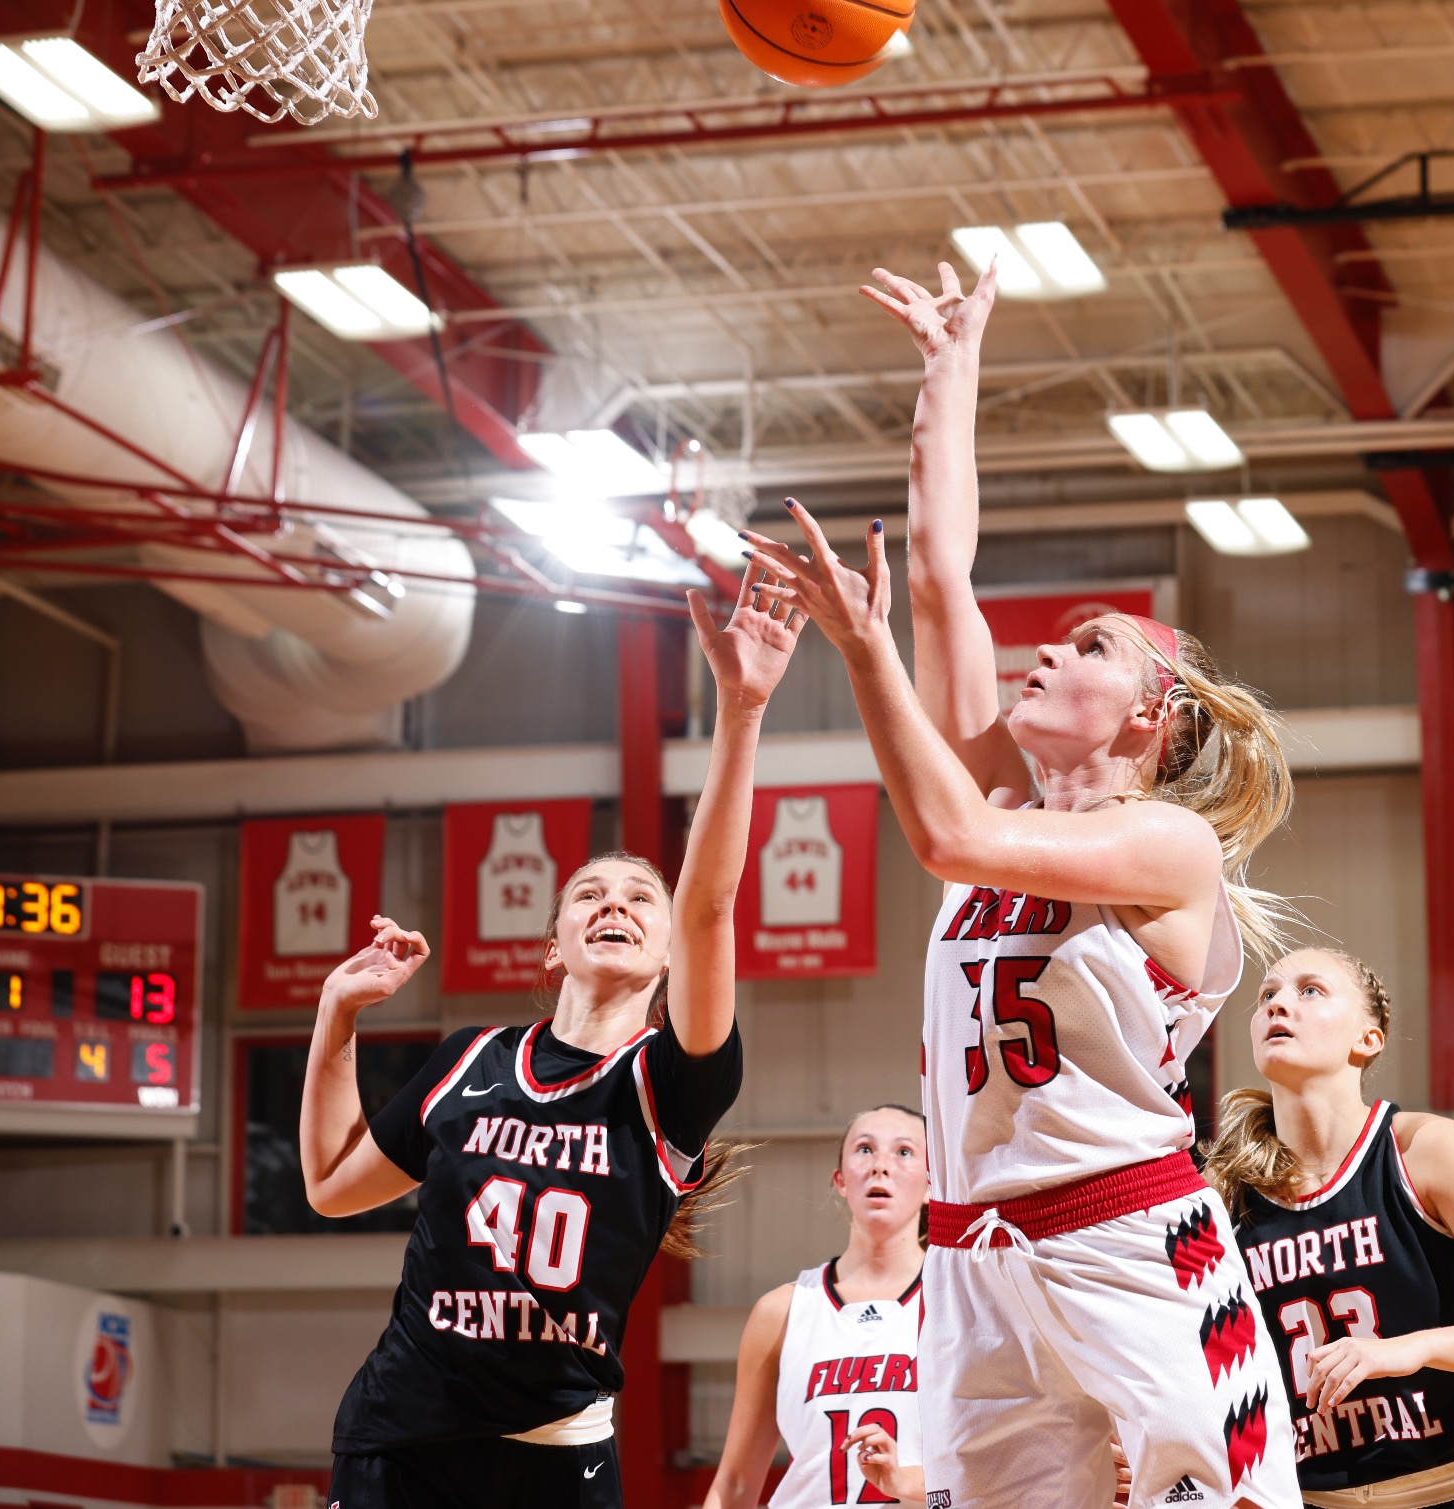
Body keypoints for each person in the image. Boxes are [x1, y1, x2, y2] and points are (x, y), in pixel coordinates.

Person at [740, 262, 1301, 1509]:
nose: (1048, 648)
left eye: (1089, 644)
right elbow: (941, 574)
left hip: (1128, 1243)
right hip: (973, 1257)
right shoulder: (1006, 801)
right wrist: (952, 363)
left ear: (1152, 716)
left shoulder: (1167, 847)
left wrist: (860, 649)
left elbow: (940, 837)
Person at [296, 568, 805, 1509]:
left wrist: (740, 712)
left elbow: (711, 905)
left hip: (557, 1455)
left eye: (639, 898)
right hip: (402, 1436)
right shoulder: (468, 1062)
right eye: (590, 895)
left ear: (665, 961)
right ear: (555, 945)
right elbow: (329, 1184)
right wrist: (338, 1015)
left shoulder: (669, 1082)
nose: (615, 903)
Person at [1206, 948, 1454, 1509]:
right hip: (1306, 1497)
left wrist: (1409, 1350)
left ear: (1369, 1038)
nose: (1279, 1003)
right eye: (1267, 995)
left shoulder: (1425, 1149)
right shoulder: (1225, 1186)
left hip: (1448, 1491)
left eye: (1310, 991)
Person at [705, 1104, 929, 1509]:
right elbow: (735, 1484)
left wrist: (905, 1481)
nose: (881, 1165)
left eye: (904, 1152)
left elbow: (999, 1471)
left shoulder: (960, 1305)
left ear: (933, 1184)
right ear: (840, 1180)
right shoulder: (782, 1311)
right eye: (864, 1149)